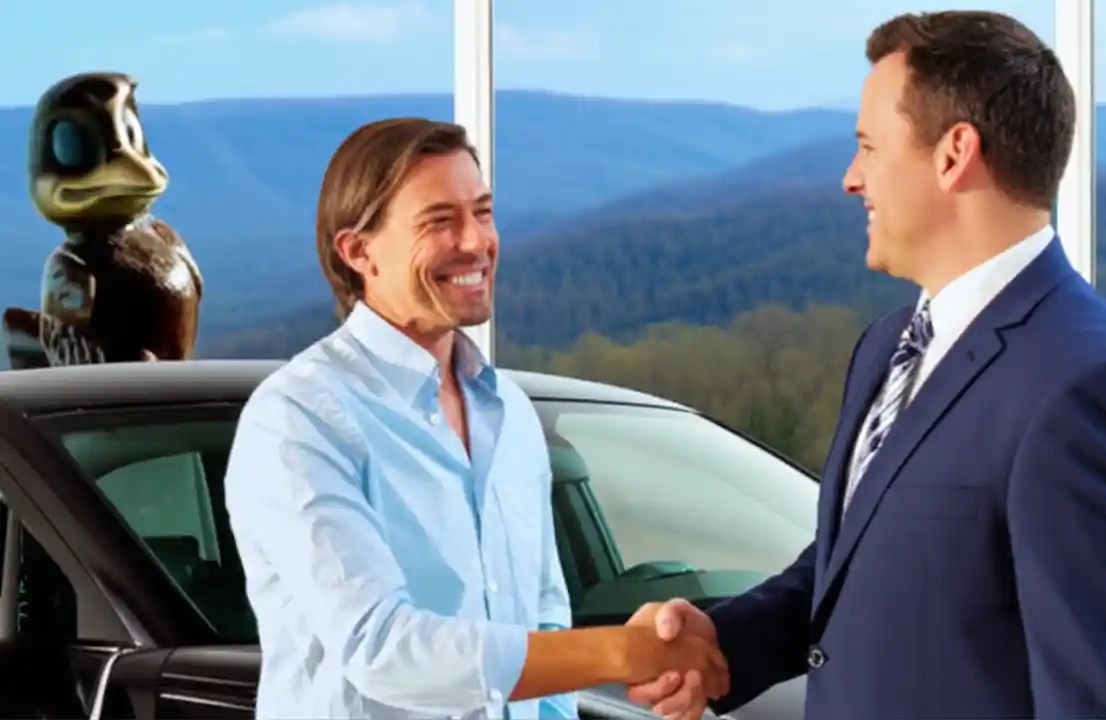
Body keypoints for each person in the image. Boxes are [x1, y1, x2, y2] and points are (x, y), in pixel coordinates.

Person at [626, 10, 1106, 720]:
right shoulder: (887, 346)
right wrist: (722, 644)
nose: (850, 178)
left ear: (953, 153)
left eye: (869, 146)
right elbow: (854, 570)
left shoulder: (1090, 389)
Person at [222, 117, 728, 720]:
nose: (475, 241)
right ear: (358, 251)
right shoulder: (301, 418)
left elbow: (544, 614)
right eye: (439, 221)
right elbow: (380, 646)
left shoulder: (509, 412)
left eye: (482, 213)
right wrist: (621, 650)